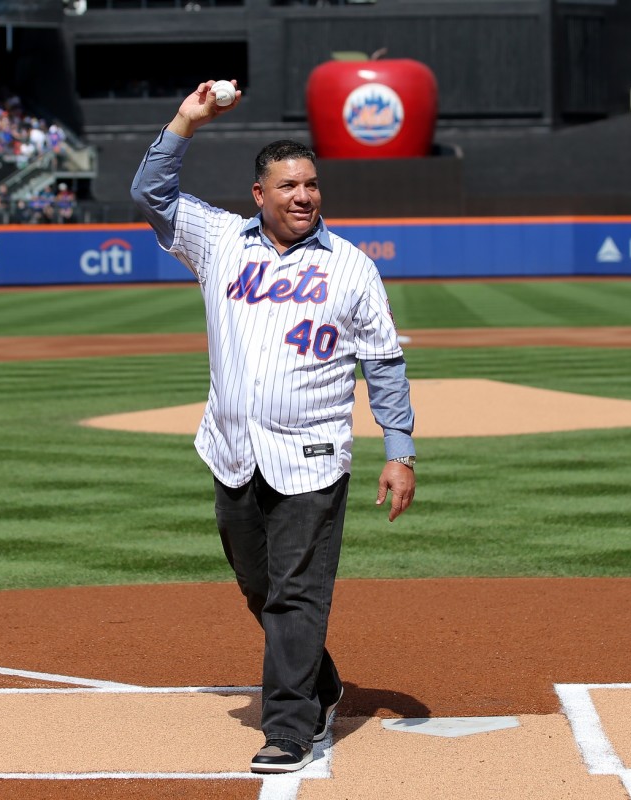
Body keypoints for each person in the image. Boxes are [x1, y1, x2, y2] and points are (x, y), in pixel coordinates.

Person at [130, 80, 416, 775]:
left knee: (296, 593)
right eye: (288, 185)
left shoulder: (350, 267)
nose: (303, 196)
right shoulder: (221, 240)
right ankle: (320, 682)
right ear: (259, 194)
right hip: (233, 454)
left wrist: (398, 450)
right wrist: (186, 119)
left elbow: (383, 361)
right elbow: (151, 195)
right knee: (260, 588)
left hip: (313, 457)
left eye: (312, 185)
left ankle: (290, 726)